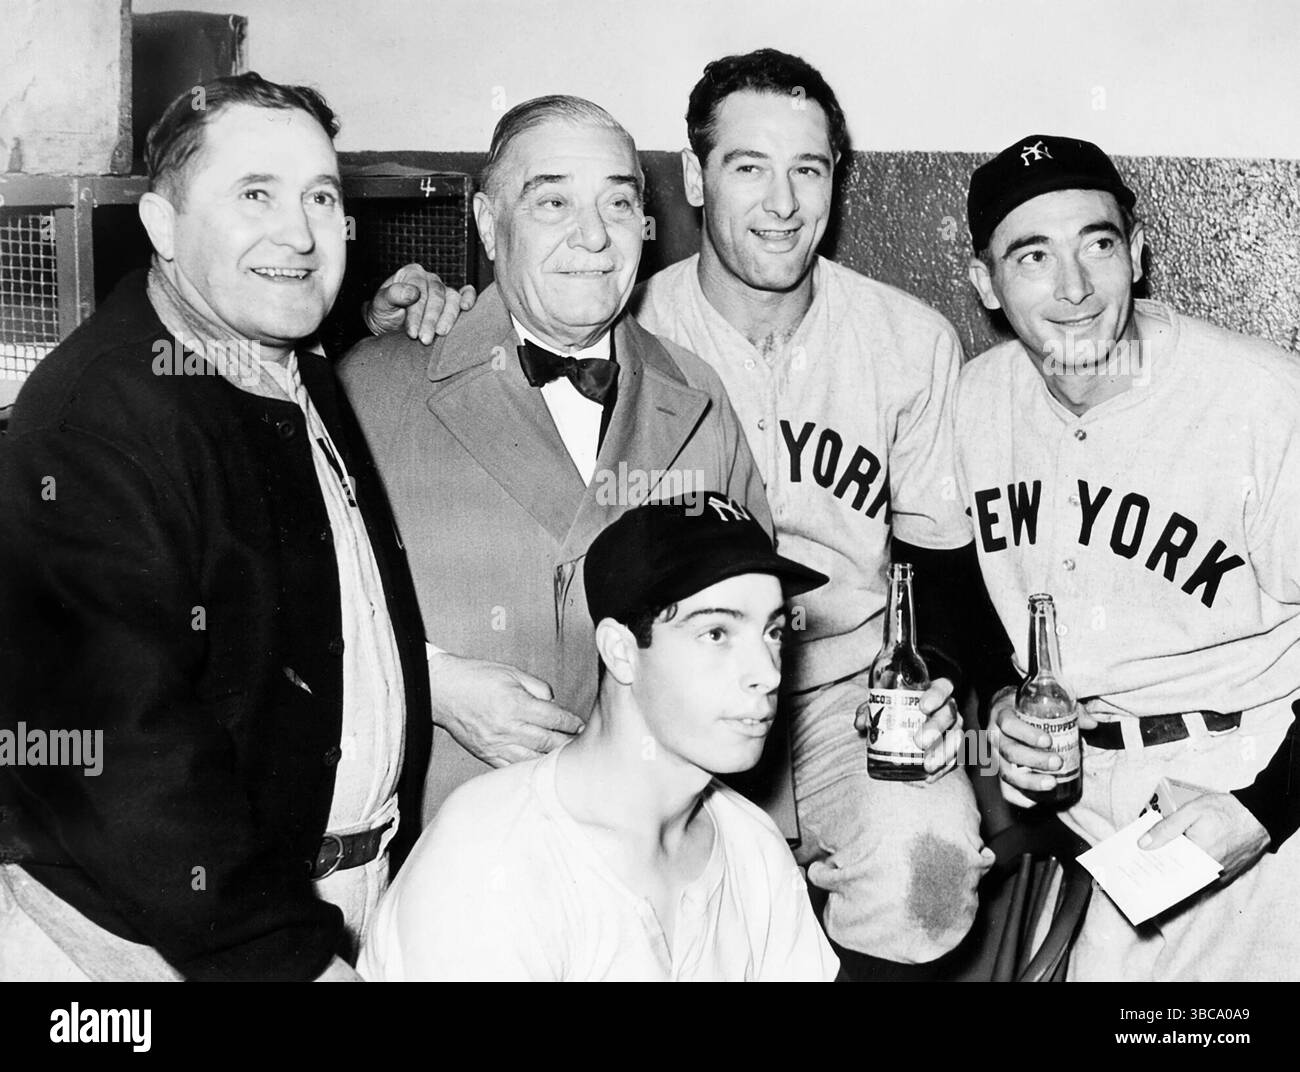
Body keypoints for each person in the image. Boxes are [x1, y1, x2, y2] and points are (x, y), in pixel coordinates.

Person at [373, 53, 1009, 978]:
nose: (783, 202)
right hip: (640, 698)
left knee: (927, 868)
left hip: (839, 685)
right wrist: (406, 307)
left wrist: (935, 686)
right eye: (749, 165)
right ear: (692, 181)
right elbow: (513, 328)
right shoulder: (635, 318)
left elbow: (936, 566)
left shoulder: (906, 339)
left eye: (811, 169)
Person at [0, 73, 431, 982]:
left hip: (332, 896)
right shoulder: (95, 425)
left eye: (320, 195)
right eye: (254, 195)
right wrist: (284, 959)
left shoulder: (284, 362)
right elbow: (120, 757)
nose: (301, 232)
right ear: (160, 226)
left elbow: (298, 621)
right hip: (161, 945)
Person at [337, 96, 772, 835]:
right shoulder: (375, 387)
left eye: (618, 201)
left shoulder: (697, 396)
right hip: (441, 845)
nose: (594, 235)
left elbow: (753, 624)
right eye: (553, 201)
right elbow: (292, 619)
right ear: (486, 224)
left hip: (645, 848)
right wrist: (428, 683)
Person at [958, 133, 1300, 980]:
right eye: (1032, 256)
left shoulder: (1262, 400)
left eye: (1097, 246)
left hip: (1251, 774)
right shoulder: (975, 401)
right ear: (985, 284)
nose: (1072, 289)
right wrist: (1002, 701)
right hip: (1090, 797)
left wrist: (1266, 810)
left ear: (1137, 255)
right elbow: (951, 588)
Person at [358, 492, 839, 981]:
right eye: (716, 633)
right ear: (621, 651)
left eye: (773, 633)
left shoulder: (752, 846)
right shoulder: (491, 859)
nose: (767, 673)